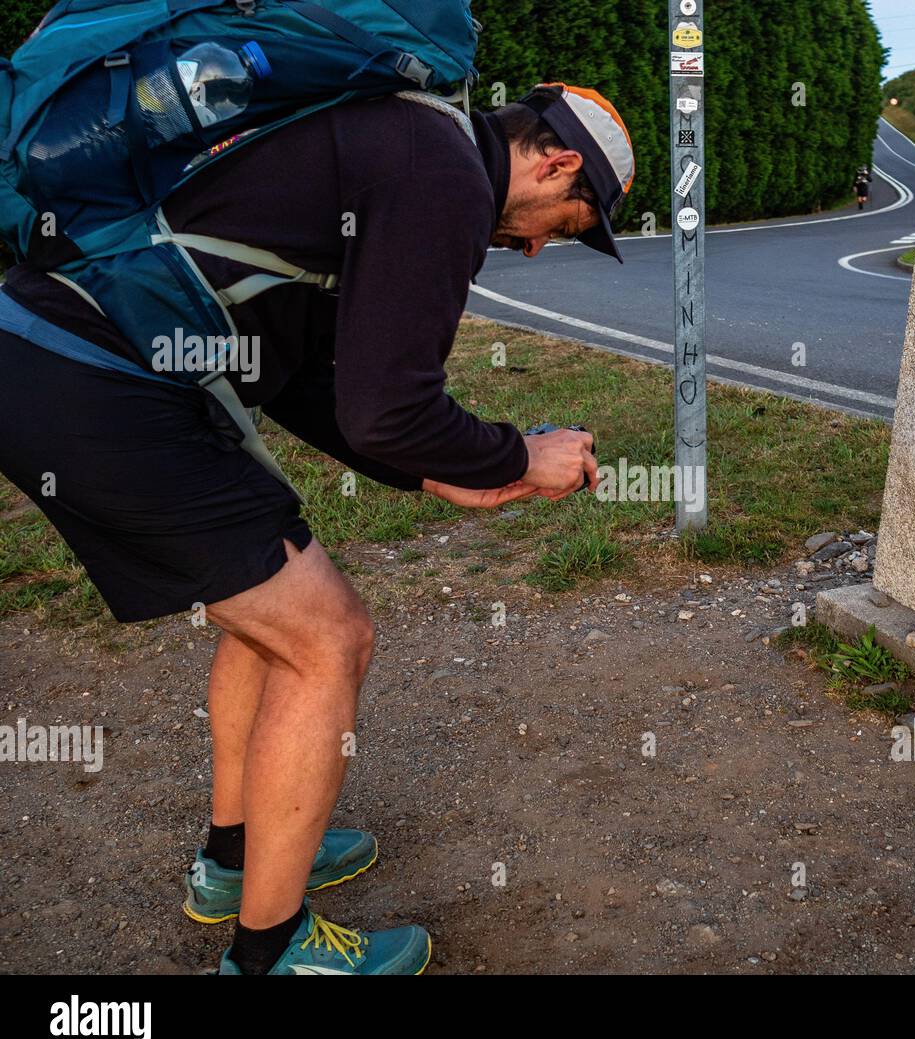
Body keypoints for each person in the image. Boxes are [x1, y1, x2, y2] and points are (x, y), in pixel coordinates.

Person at [0, 82, 634, 975]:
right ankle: (269, 956)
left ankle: (234, 860)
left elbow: (310, 379)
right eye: (564, 221)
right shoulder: (448, 175)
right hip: (105, 387)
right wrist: (517, 458)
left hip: (63, 355)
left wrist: (438, 470)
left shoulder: (406, 140)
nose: (532, 244)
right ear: (557, 161)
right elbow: (390, 410)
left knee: (277, 599)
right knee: (327, 638)